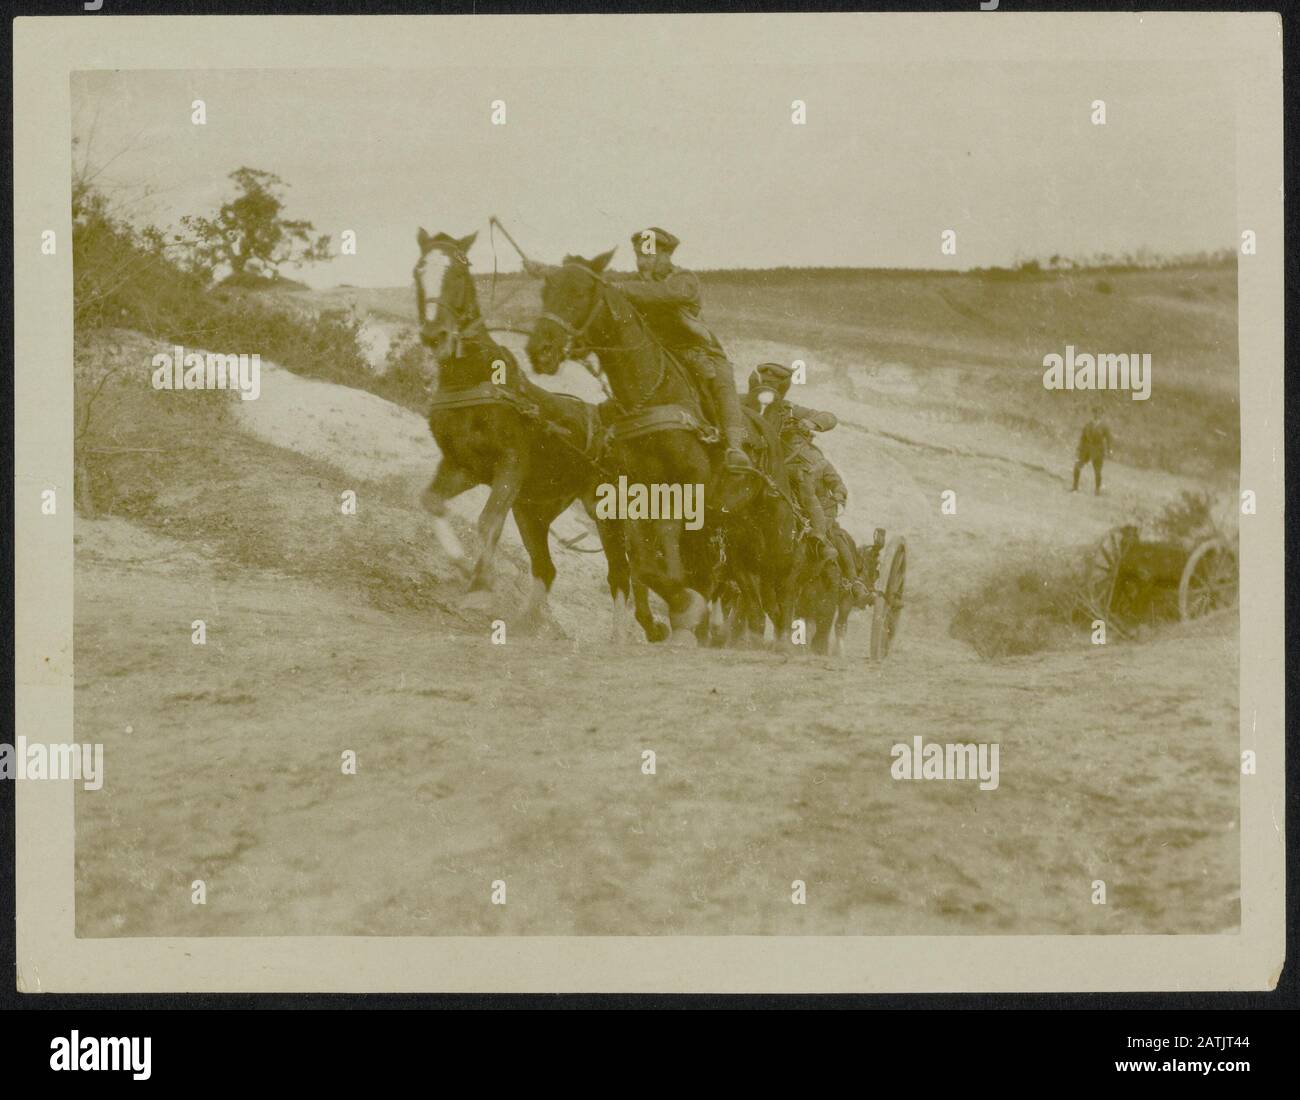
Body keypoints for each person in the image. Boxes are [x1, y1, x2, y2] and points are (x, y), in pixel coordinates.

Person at [613, 227, 752, 470]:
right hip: (657, 353)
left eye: (648, 255)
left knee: (721, 381)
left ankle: (734, 447)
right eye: (639, 256)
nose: (642, 262)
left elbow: (664, 294)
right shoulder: (634, 283)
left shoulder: (684, 280)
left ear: (666, 256)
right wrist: (546, 270)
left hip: (696, 351)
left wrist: (619, 288)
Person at [745, 362, 838, 562]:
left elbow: (829, 417)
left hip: (777, 465)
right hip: (743, 457)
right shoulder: (738, 403)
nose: (767, 389)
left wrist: (811, 422)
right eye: (765, 383)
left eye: (773, 385)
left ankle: (819, 538)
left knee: (804, 485)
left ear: (782, 389)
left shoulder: (790, 410)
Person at [1072, 404, 1113, 495]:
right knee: (1077, 466)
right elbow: (1083, 437)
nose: (1097, 415)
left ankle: (1097, 490)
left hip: (1098, 450)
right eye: (1095, 413)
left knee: (1097, 471)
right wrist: (1079, 448)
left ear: (1101, 414)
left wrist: (1110, 449)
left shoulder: (1104, 426)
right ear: (1093, 414)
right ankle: (1075, 487)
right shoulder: (1088, 424)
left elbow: (1109, 438)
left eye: (1099, 413)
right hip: (1086, 449)